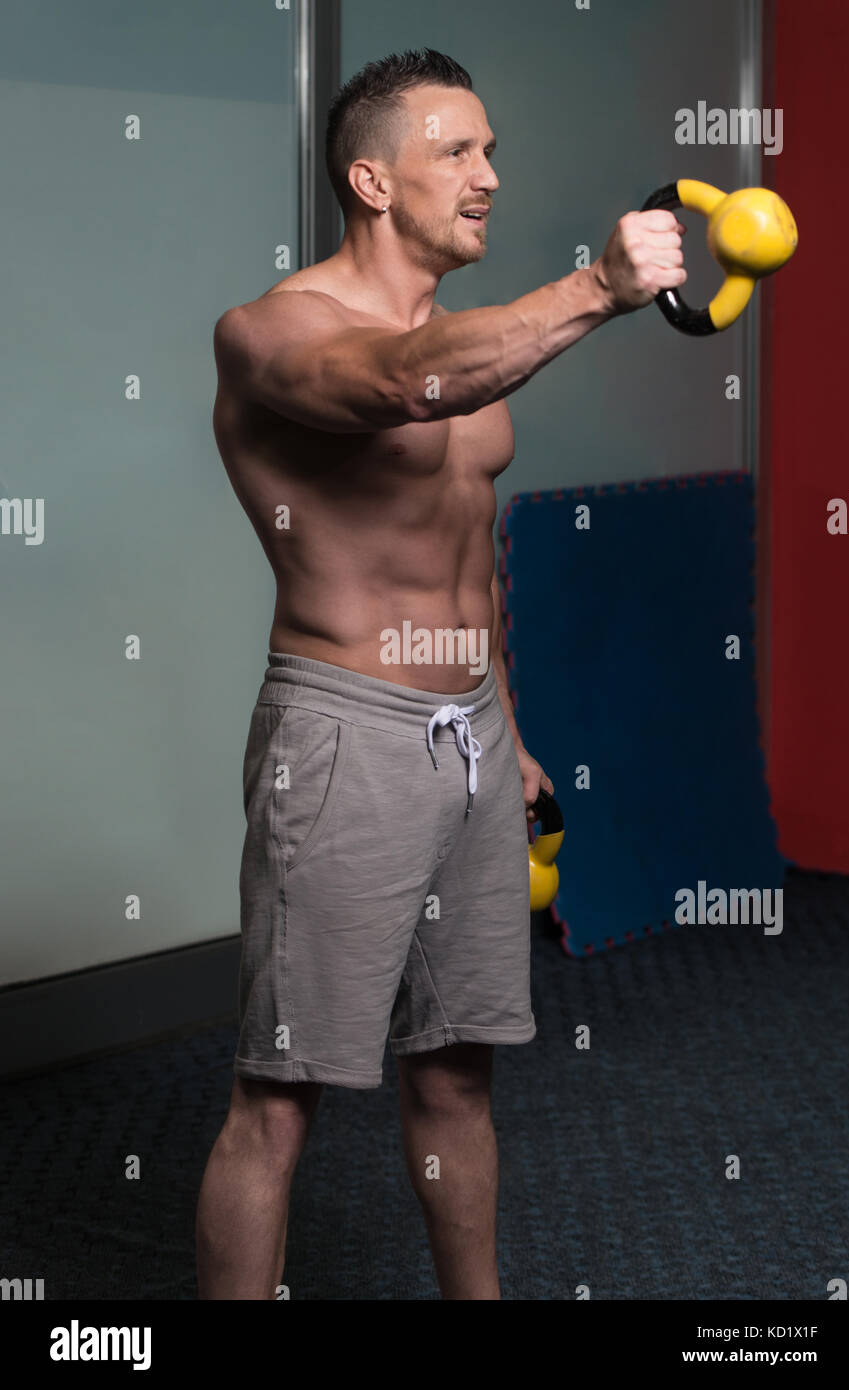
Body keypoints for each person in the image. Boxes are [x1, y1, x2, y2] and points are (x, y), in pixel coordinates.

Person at [196, 47, 686, 1301]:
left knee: (459, 1070)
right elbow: (397, 388)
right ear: (371, 178)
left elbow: (463, 560)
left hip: (469, 736)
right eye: (457, 153)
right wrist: (596, 287)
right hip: (344, 736)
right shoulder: (275, 333)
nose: (490, 177)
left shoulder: (467, 339)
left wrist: (504, 729)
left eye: (491, 149)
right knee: (280, 1098)